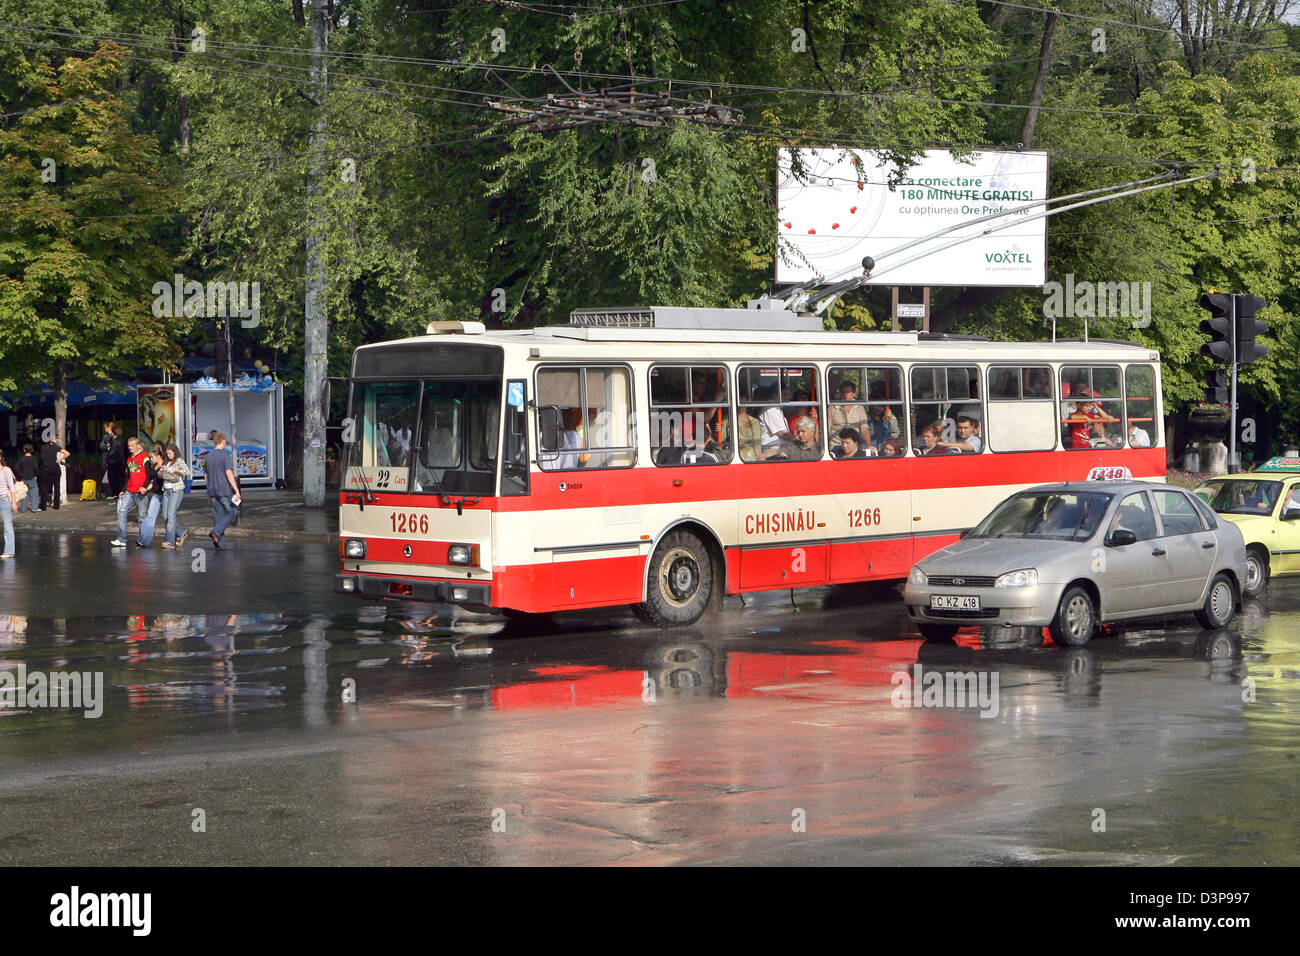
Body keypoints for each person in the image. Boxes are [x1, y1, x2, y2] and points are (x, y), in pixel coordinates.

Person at [204, 432, 241, 550]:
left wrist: (208, 492)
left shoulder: (208, 457)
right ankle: (216, 532)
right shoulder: (225, 455)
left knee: (218, 516)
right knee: (232, 512)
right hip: (224, 489)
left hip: (212, 490)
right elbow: (229, 473)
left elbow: (206, 476)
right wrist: (236, 489)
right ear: (223, 442)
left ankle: (220, 544)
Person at [111, 437, 150, 547]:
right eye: (129, 446)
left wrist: (145, 486)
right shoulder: (129, 459)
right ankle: (121, 539)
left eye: (133, 445)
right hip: (129, 490)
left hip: (140, 491)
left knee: (142, 516)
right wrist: (123, 490)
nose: (130, 448)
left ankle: (143, 540)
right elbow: (128, 476)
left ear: (138, 445)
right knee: (122, 511)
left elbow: (149, 473)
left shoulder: (144, 457)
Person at [159, 443, 191, 550]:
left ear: (174, 452)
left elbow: (187, 471)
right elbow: (162, 474)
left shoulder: (179, 461)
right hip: (166, 490)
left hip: (175, 490)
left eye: (170, 453)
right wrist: (162, 470)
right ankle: (181, 532)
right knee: (165, 515)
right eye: (167, 453)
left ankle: (170, 541)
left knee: (171, 515)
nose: (168, 455)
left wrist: (177, 470)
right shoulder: (167, 462)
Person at [135, 448, 166, 548]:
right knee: (150, 517)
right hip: (157, 494)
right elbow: (153, 481)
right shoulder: (154, 466)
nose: (150, 459)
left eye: (152, 457)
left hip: (165, 494)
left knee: (168, 517)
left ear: (158, 457)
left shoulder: (165, 466)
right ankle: (144, 540)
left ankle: (179, 533)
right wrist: (146, 489)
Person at [827, 381, 868, 448]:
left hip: (854, 447)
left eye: (848, 392)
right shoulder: (832, 407)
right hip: (836, 447)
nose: (845, 395)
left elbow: (864, 429)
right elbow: (827, 430)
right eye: (843, 392)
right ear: (840, 394)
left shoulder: (860, 408)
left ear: (854, 393)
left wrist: (868, 445)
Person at [100, 422, 125, 499]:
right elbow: (102, 445)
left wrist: (109, 450)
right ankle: (114, 493)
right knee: (112, 477)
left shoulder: (117, 440)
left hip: (115, 462)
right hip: (114, 462)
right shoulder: (110, 438)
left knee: (115, 477)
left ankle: (116, 493)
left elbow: (113, 451)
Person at [15, 444, 40, 513]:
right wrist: (36, 475)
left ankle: (23, 508)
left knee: (24, 493)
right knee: (34, 492)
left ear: (24, 450)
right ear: (32, 450)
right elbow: (36, 468)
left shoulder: (21, 459)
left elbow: (17, 468)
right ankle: (34, 507)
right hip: (32, 477)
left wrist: (20, 475)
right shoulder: (33, 458)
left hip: (23, 477)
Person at [39, 437, 62, 510]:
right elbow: (67, 453)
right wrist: (59, 460)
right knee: (57, 487)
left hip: (47, 468)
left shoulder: (43, 447)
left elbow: (42, 456)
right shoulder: (56, 447)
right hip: (55, 467)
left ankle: (43, 505)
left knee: (45, 487)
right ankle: (56, 505)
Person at [0, 451, 16, 559]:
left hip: (4, 499)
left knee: (7, 526)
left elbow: (12, 487)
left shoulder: (6, 470)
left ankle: (9, 551)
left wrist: (14, 502)